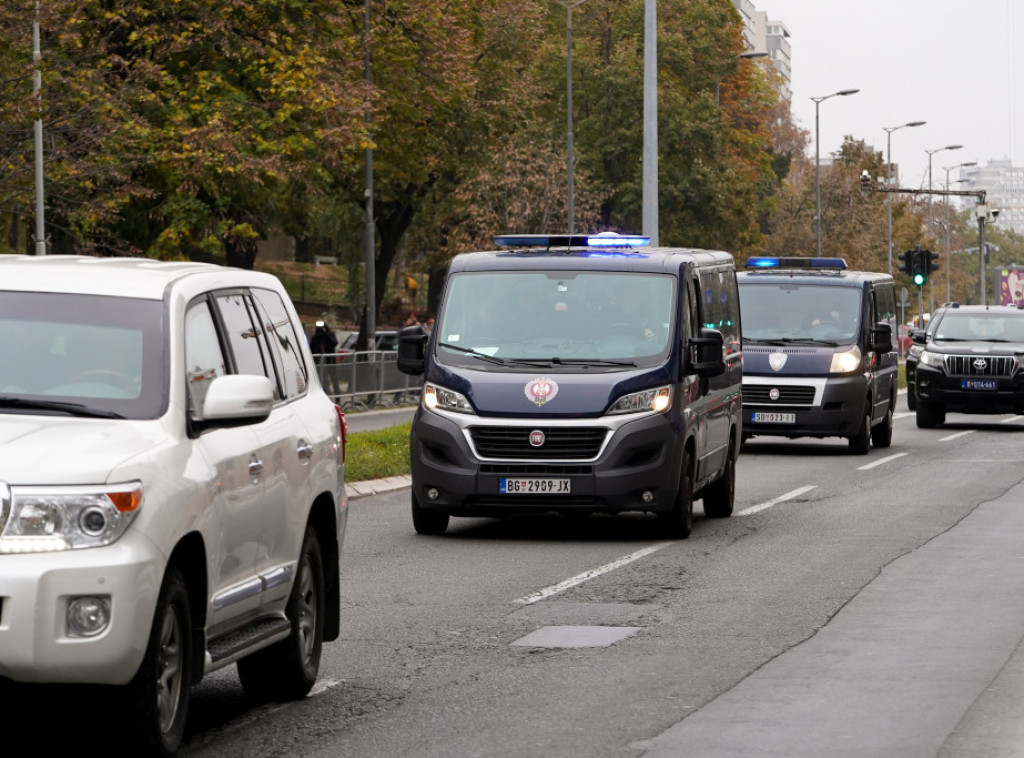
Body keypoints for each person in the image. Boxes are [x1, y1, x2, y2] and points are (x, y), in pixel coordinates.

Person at [309, 320, 340, 396]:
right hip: (319, 363)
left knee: (334, 379)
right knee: (323, 380)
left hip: (330, 361)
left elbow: (334, 343)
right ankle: (325, 395)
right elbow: (311, 348)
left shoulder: (330, 335)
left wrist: (326, 334)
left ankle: (338, 397)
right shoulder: (315, 337)